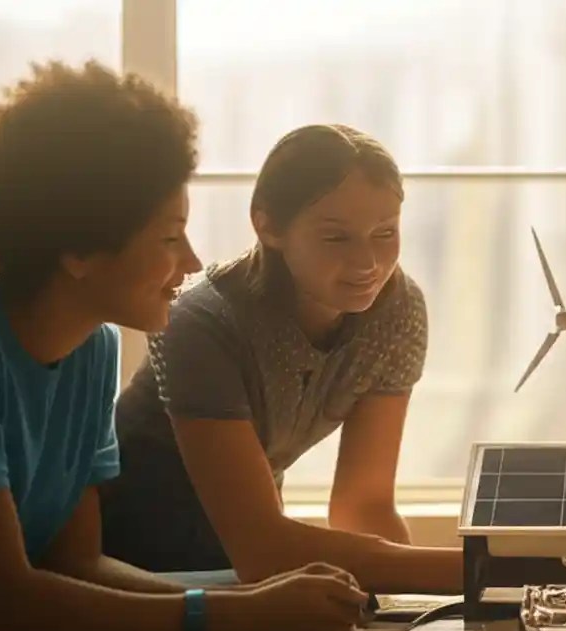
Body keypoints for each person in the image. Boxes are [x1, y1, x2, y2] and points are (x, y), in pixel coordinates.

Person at [0, 62, 366, 631]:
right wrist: (238, 613)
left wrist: (263, 601)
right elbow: (3, 605)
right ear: (79, 248)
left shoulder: (91, 346)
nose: (189, 261)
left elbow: (76, 563)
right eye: (168, 235)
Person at [99, 124, 463, 593]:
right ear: (268, 225)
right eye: (336, 238)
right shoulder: (202, 322)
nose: (367, 263)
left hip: (251, 573)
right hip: (135, 574)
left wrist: (405, 611)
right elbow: (261, 547)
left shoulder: (395, 309)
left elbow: (363, 506)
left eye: (384, 233)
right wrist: (488, 573)